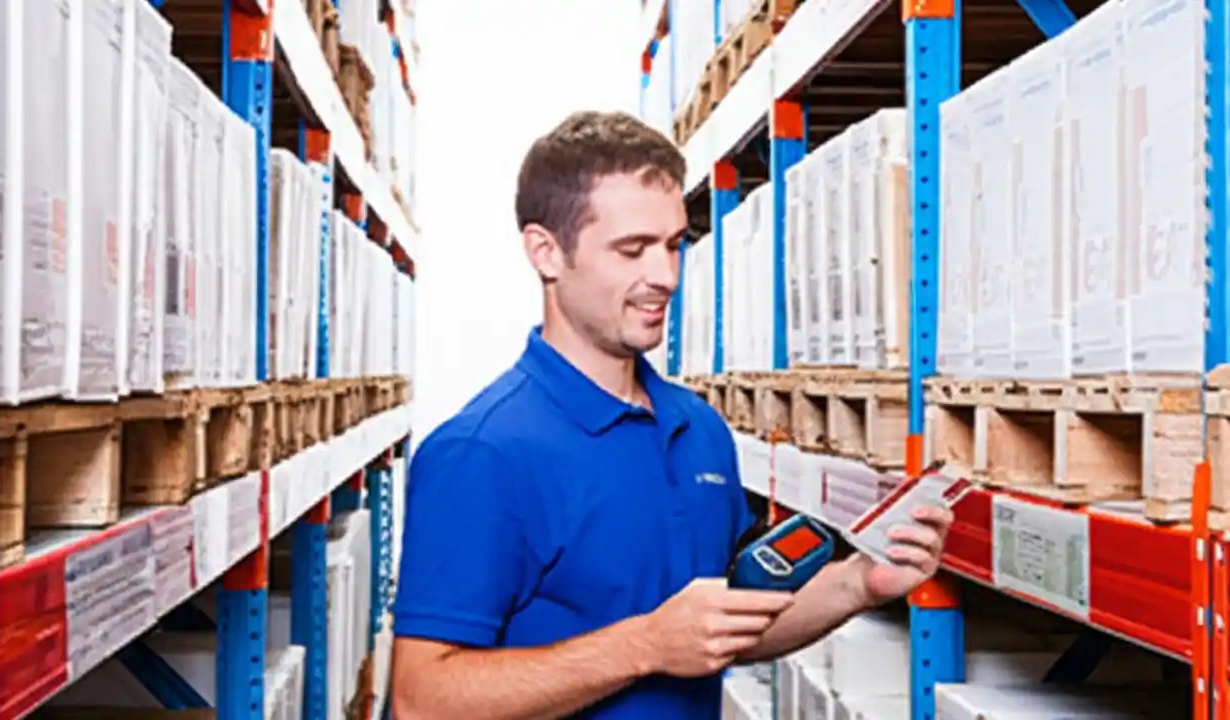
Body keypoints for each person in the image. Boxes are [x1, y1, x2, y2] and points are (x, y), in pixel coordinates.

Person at [390, 110, 953, 720]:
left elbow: (722, 628)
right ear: (546, 253)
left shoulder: (697, 429)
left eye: (673, 245)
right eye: (632, 250)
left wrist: (858, 584)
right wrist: (646, 645)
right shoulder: (482, 453)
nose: (664, 276)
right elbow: (423, 702)